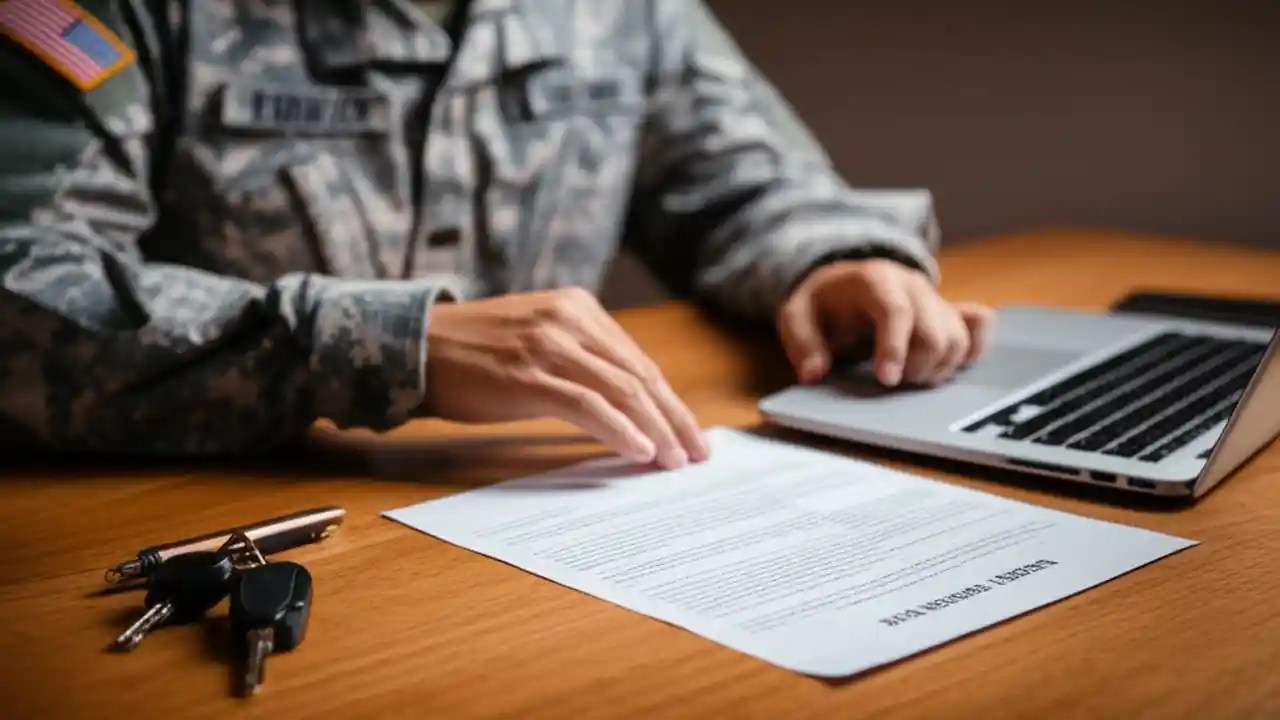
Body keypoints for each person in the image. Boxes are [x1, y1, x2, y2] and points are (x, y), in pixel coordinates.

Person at [0, 0, 992, 468]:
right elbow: (18, 280)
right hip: (213, 522)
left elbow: (736, 177)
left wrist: (830, 257)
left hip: (545, 500)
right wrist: (389, 346)